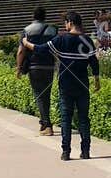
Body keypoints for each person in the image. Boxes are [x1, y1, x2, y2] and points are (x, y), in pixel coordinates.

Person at [51, 11, 101, 160]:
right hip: (82, 84)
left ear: (70, 22)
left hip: (65, 85)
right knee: (84, 118)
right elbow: (94, 62)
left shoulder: (61, 39)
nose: (65, 26)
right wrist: (97, 80)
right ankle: (85, 151)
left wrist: (28, 44)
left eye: (65, 23)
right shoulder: (87, 40)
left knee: (66, 117)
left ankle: (66, 152)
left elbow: (42, 49)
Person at [19, 8, 58, 136]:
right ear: (44, 17)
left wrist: (19, 68)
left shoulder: (27, 30)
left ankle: (47, 124)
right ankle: (43, 122)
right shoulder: (52, 30)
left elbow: (21, 51)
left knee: (39, 95)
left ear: (33, 16)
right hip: (49, 66)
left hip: (34, 66)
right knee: (45, 95)